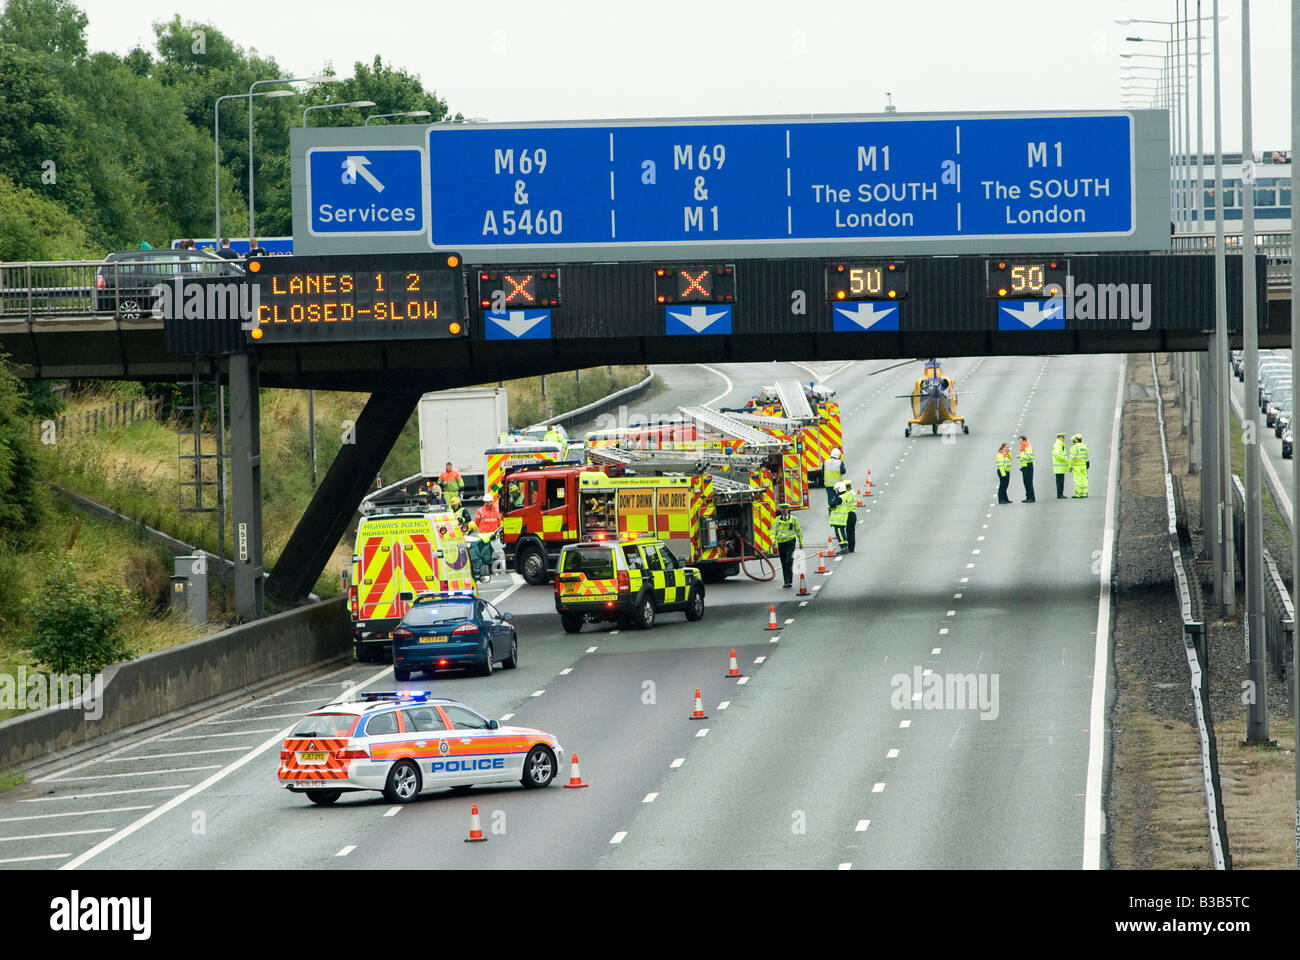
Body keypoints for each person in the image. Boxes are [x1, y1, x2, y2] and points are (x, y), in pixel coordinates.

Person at [773, 502, 803, 588]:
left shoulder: (793, 519)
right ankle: (786, 581)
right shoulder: (777, 520)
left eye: (785, 509)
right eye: (782, 509)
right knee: (783, 563)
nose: (784, 511)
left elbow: (798, 531)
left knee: (789, 561)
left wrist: (801, 542)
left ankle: (789, 580)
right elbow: (773, 532)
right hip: (781, 543)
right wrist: (773, 542)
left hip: (790, 542)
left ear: (788, 510)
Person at [829, 484, 851, 548]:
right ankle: (845, 546)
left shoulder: (840, 498)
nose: (835, 492)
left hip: (838, 520)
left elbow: (831, 504)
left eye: (836, 490)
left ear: (839, 489)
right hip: (841, 519)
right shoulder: (844, 496)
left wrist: (831, 496)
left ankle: (844, 547)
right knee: (842, 532)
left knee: (840, 533)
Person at [1069, 433, 1090, 498]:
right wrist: (1087, 463)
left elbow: (1072, 458)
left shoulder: (1074, 447)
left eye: (1074, 439)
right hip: (1083, 465)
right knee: (1084, 479)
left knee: (1078, 480)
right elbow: (1087, 455)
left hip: (1077, 466)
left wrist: (1070, 466)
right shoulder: (1084, 446)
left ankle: (1078, 493)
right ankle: (1084, 493)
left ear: (1076, 440)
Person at [1017, 435, 1036, 503]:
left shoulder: (1028, 447)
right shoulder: (1023, 447)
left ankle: (1031, 498)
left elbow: (1029, 457)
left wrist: (1020, 456)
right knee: (1025, 482)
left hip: (1028, 466)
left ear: (1025, 440)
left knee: (1029, 482)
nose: (1020, 443)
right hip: (1024, 467)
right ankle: (1028, 496)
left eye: (1021, 441)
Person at [839, 482, 857, 553]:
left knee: (850, 533)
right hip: (852, 514)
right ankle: (851, 548)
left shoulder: (849, 494)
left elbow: (845, 502)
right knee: (851, 532)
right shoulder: (852, 492)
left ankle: (851, 548)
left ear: (847, 488)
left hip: (850, 515)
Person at [1052, 432, 1069, 499]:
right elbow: (1058, 455)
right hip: (1059, 466)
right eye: (1062, 437)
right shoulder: (1058, 445)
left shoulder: (1060, 444)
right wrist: (1065, 459)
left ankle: (1060, 494)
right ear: (1059, 438)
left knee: (1061, 481)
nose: (1063, 439)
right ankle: (1060, 494)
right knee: (1060, 481)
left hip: (1060, 467)